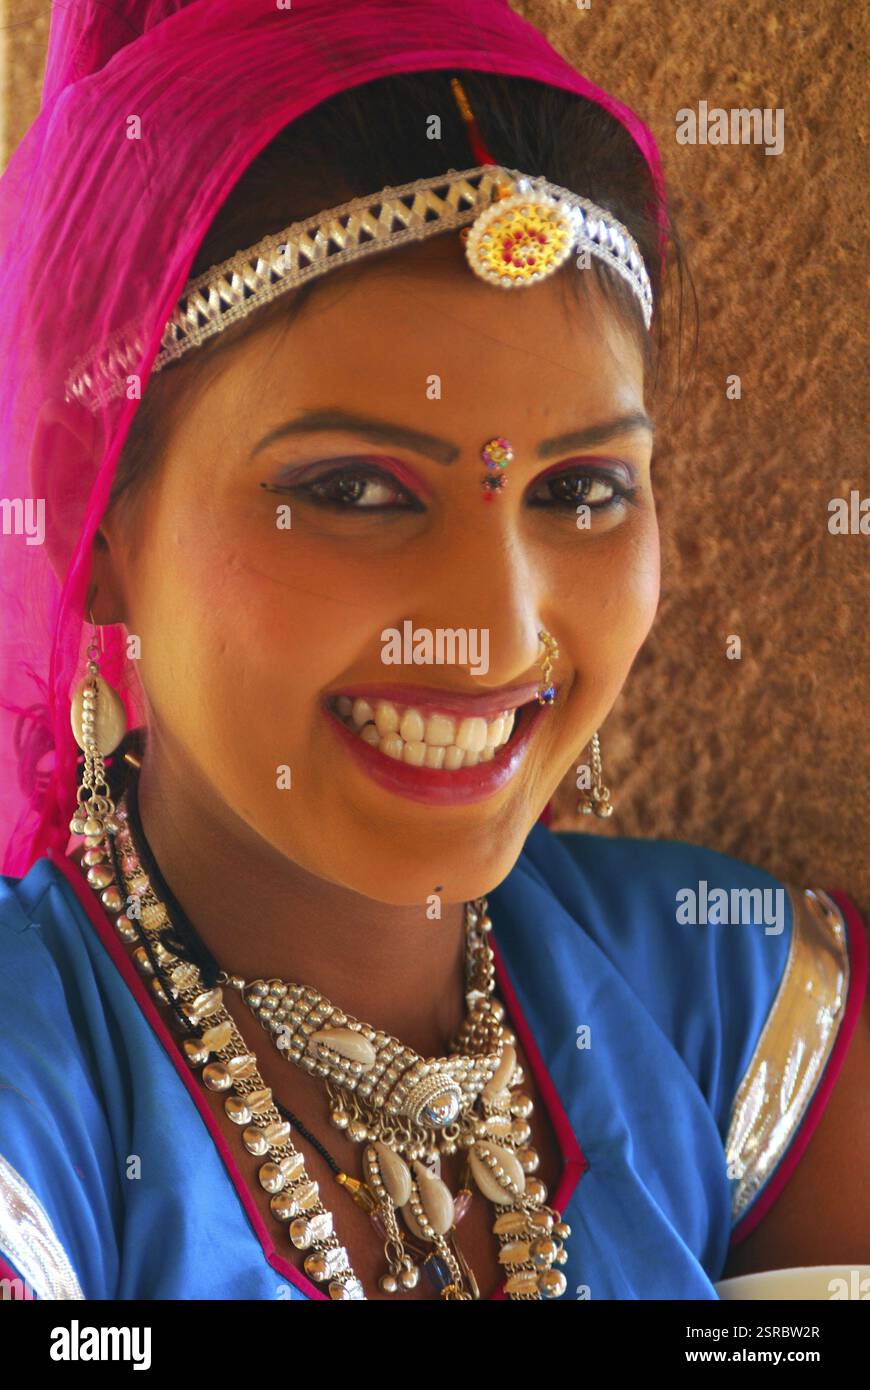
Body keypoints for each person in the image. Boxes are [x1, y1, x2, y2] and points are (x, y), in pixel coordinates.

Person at [0, 0, 867, 1303]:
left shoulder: (734, 1001)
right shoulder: (36, 1098)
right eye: (355, 489)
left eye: (579, 490)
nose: (498, 629)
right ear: (96, 524)